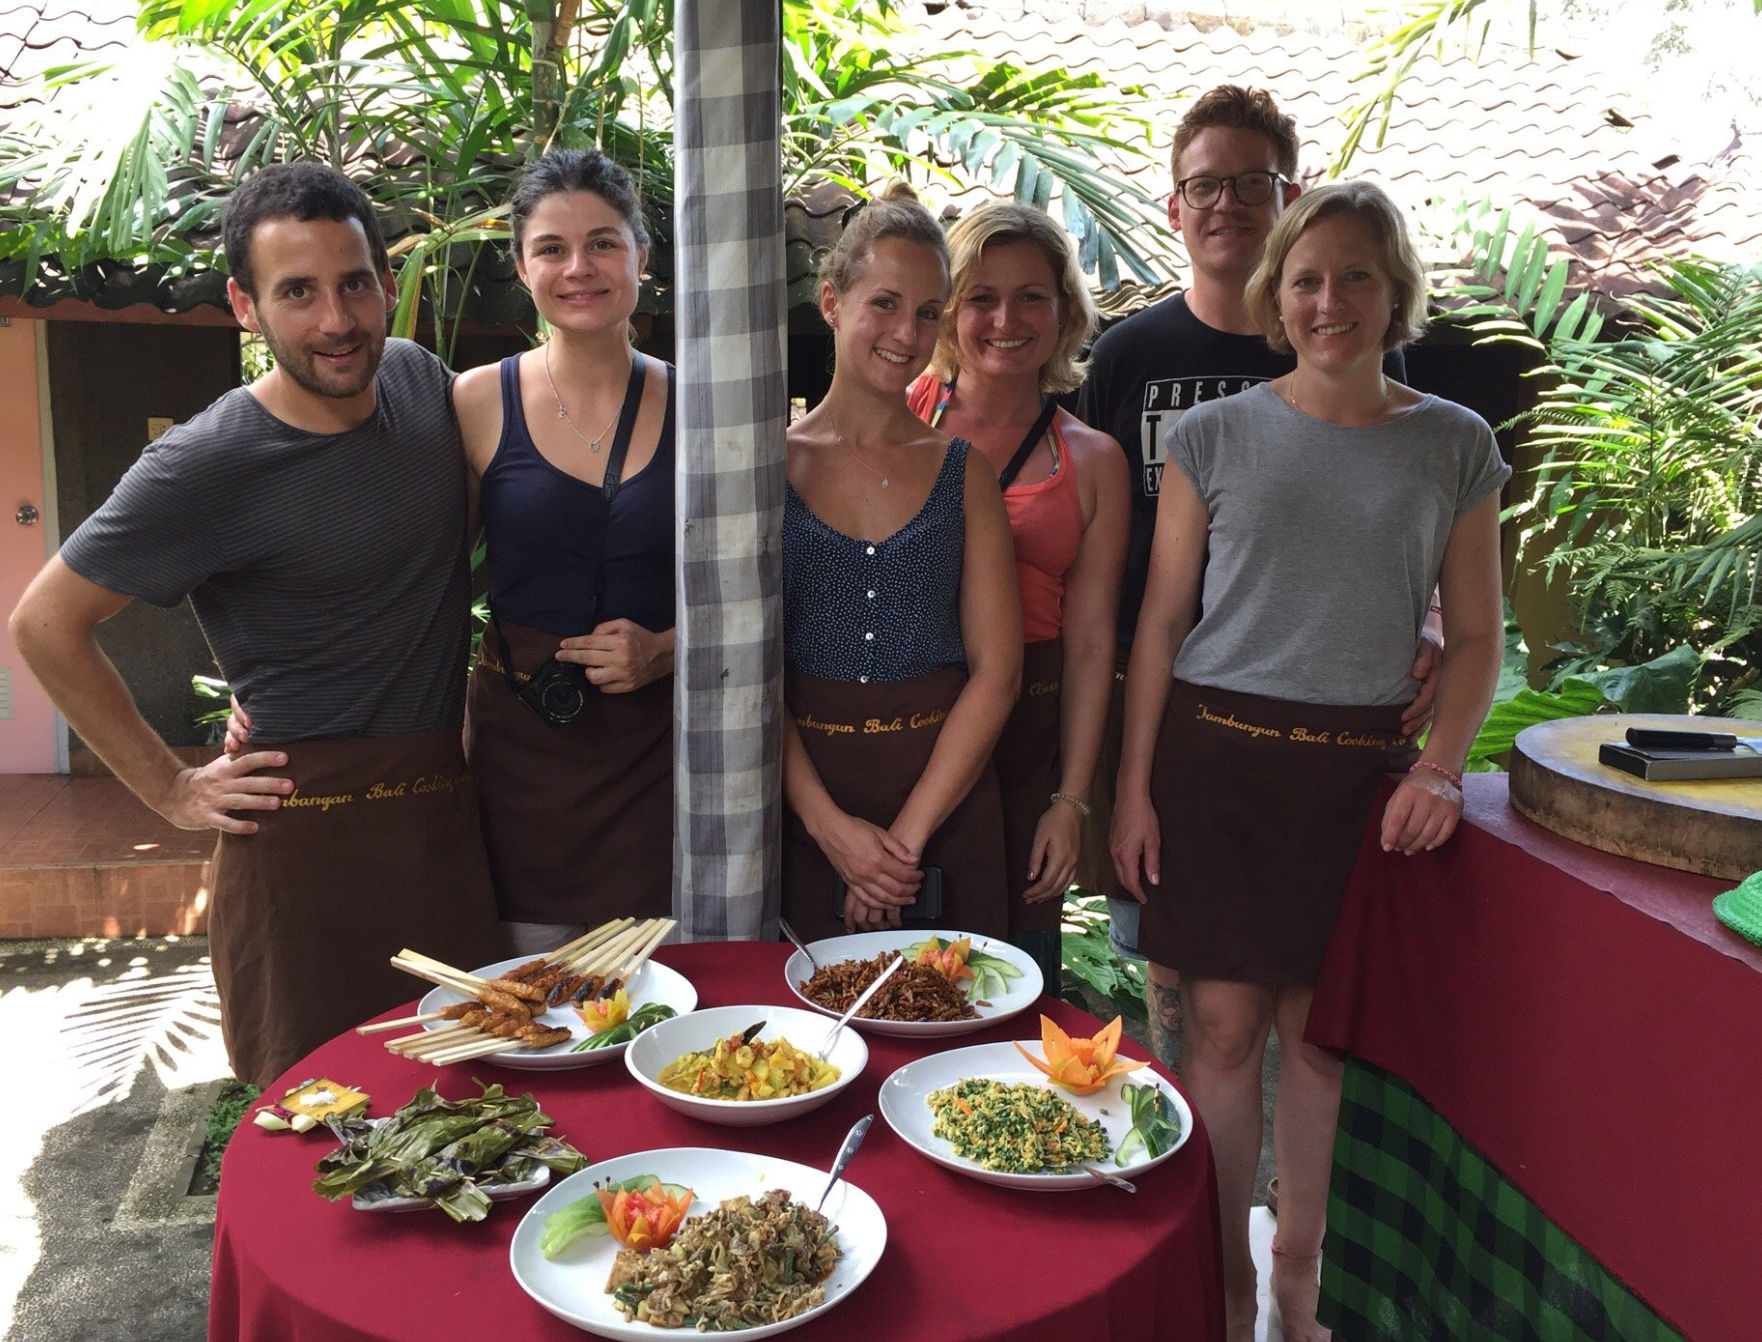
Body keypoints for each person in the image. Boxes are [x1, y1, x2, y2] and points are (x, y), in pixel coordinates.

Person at [1109, 182, 1507, 1342]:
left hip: (1360, 786)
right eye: (1306, 279)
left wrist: (1440, 768)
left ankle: (1302, 1281)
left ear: (1396, 293)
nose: (1330, 301)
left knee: (1322, 1041)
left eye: (1355, 276)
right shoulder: (1212, 433)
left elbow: (1477, 637)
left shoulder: (1455, 444)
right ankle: (1228, 1295)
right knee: (1221, 1037)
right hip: (1215, 767)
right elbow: (1159, 623)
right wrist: (1133, 788)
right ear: (1275, 297)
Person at [8, 162, 506, 1087]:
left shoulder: (419, 383)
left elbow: (453, 542)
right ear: (246, 305)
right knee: (321, 1134)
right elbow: (44, 625)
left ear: (386, 285)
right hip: (298, 850)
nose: (336, 320)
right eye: (298, 293)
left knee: (482, 1113)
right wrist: (170, 789)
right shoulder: (207, 461)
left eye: (354, 283)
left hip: (441, 826)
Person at [1074, 84, 1439, 1067]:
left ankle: (1287, 1207)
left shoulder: (1345, 333)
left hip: (1324, 719)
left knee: (1315, 1021)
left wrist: (1433, 615)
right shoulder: (1127, 356)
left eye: (1250, 181)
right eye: (1203, 186)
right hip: (1169, 710)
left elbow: (1405, 501)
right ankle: (1193, 1178)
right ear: (1172, 208)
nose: (1226, 203)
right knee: (1178, 988)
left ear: (1292, 190)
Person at [781, 183, 1021, 942]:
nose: (905, 332)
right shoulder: (766, 468)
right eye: (884, 303)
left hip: (943, 803)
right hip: (802, 802)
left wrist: (903, 847)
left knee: (950, 1035)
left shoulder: (964, 471)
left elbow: (998, 671)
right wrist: (832, 832)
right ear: (831, 302)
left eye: (927, 313)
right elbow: (744, 671)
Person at [454, 149, 675, 954]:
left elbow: (762, 584)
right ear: (521, 266)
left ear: (642, 258)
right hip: (521, 752)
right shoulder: (478, 401)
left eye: (604, 243)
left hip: (659, 754)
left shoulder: (699, 402)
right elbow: (420, 580)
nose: (578, 268)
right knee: (532, 1003)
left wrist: (668, 649)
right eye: (551, 248)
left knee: (659, 995)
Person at [906, 200, 1128, 990]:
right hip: (912, 720)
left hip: (1031, 729)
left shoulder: (1093, 459)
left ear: (1065, 309)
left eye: (1032, 296)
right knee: (901, 966)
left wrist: (1071, 798)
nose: (1008, 318)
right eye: (982, 297)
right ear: (950, 311)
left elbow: (1094, 638)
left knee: (1010, 972)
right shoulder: (902, 422)